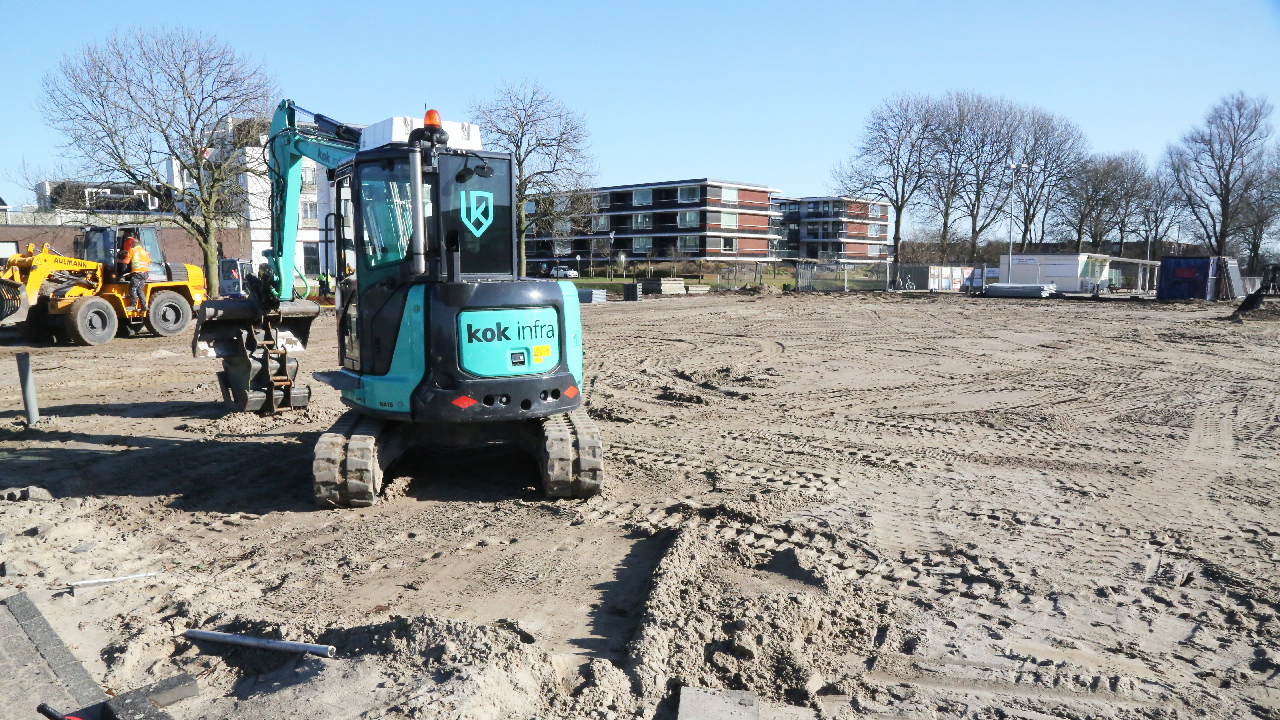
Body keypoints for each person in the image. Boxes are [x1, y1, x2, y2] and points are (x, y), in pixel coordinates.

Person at [122, 235, 151, 313]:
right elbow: (148, 261)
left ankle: (133, 305)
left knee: (132, 289)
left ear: (133, 244)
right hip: (145, 273)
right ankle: (144, 306)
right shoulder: (144, 251)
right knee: (139, 289)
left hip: (138, 273)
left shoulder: (132, 250)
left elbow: (126, 261)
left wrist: (117, 260)